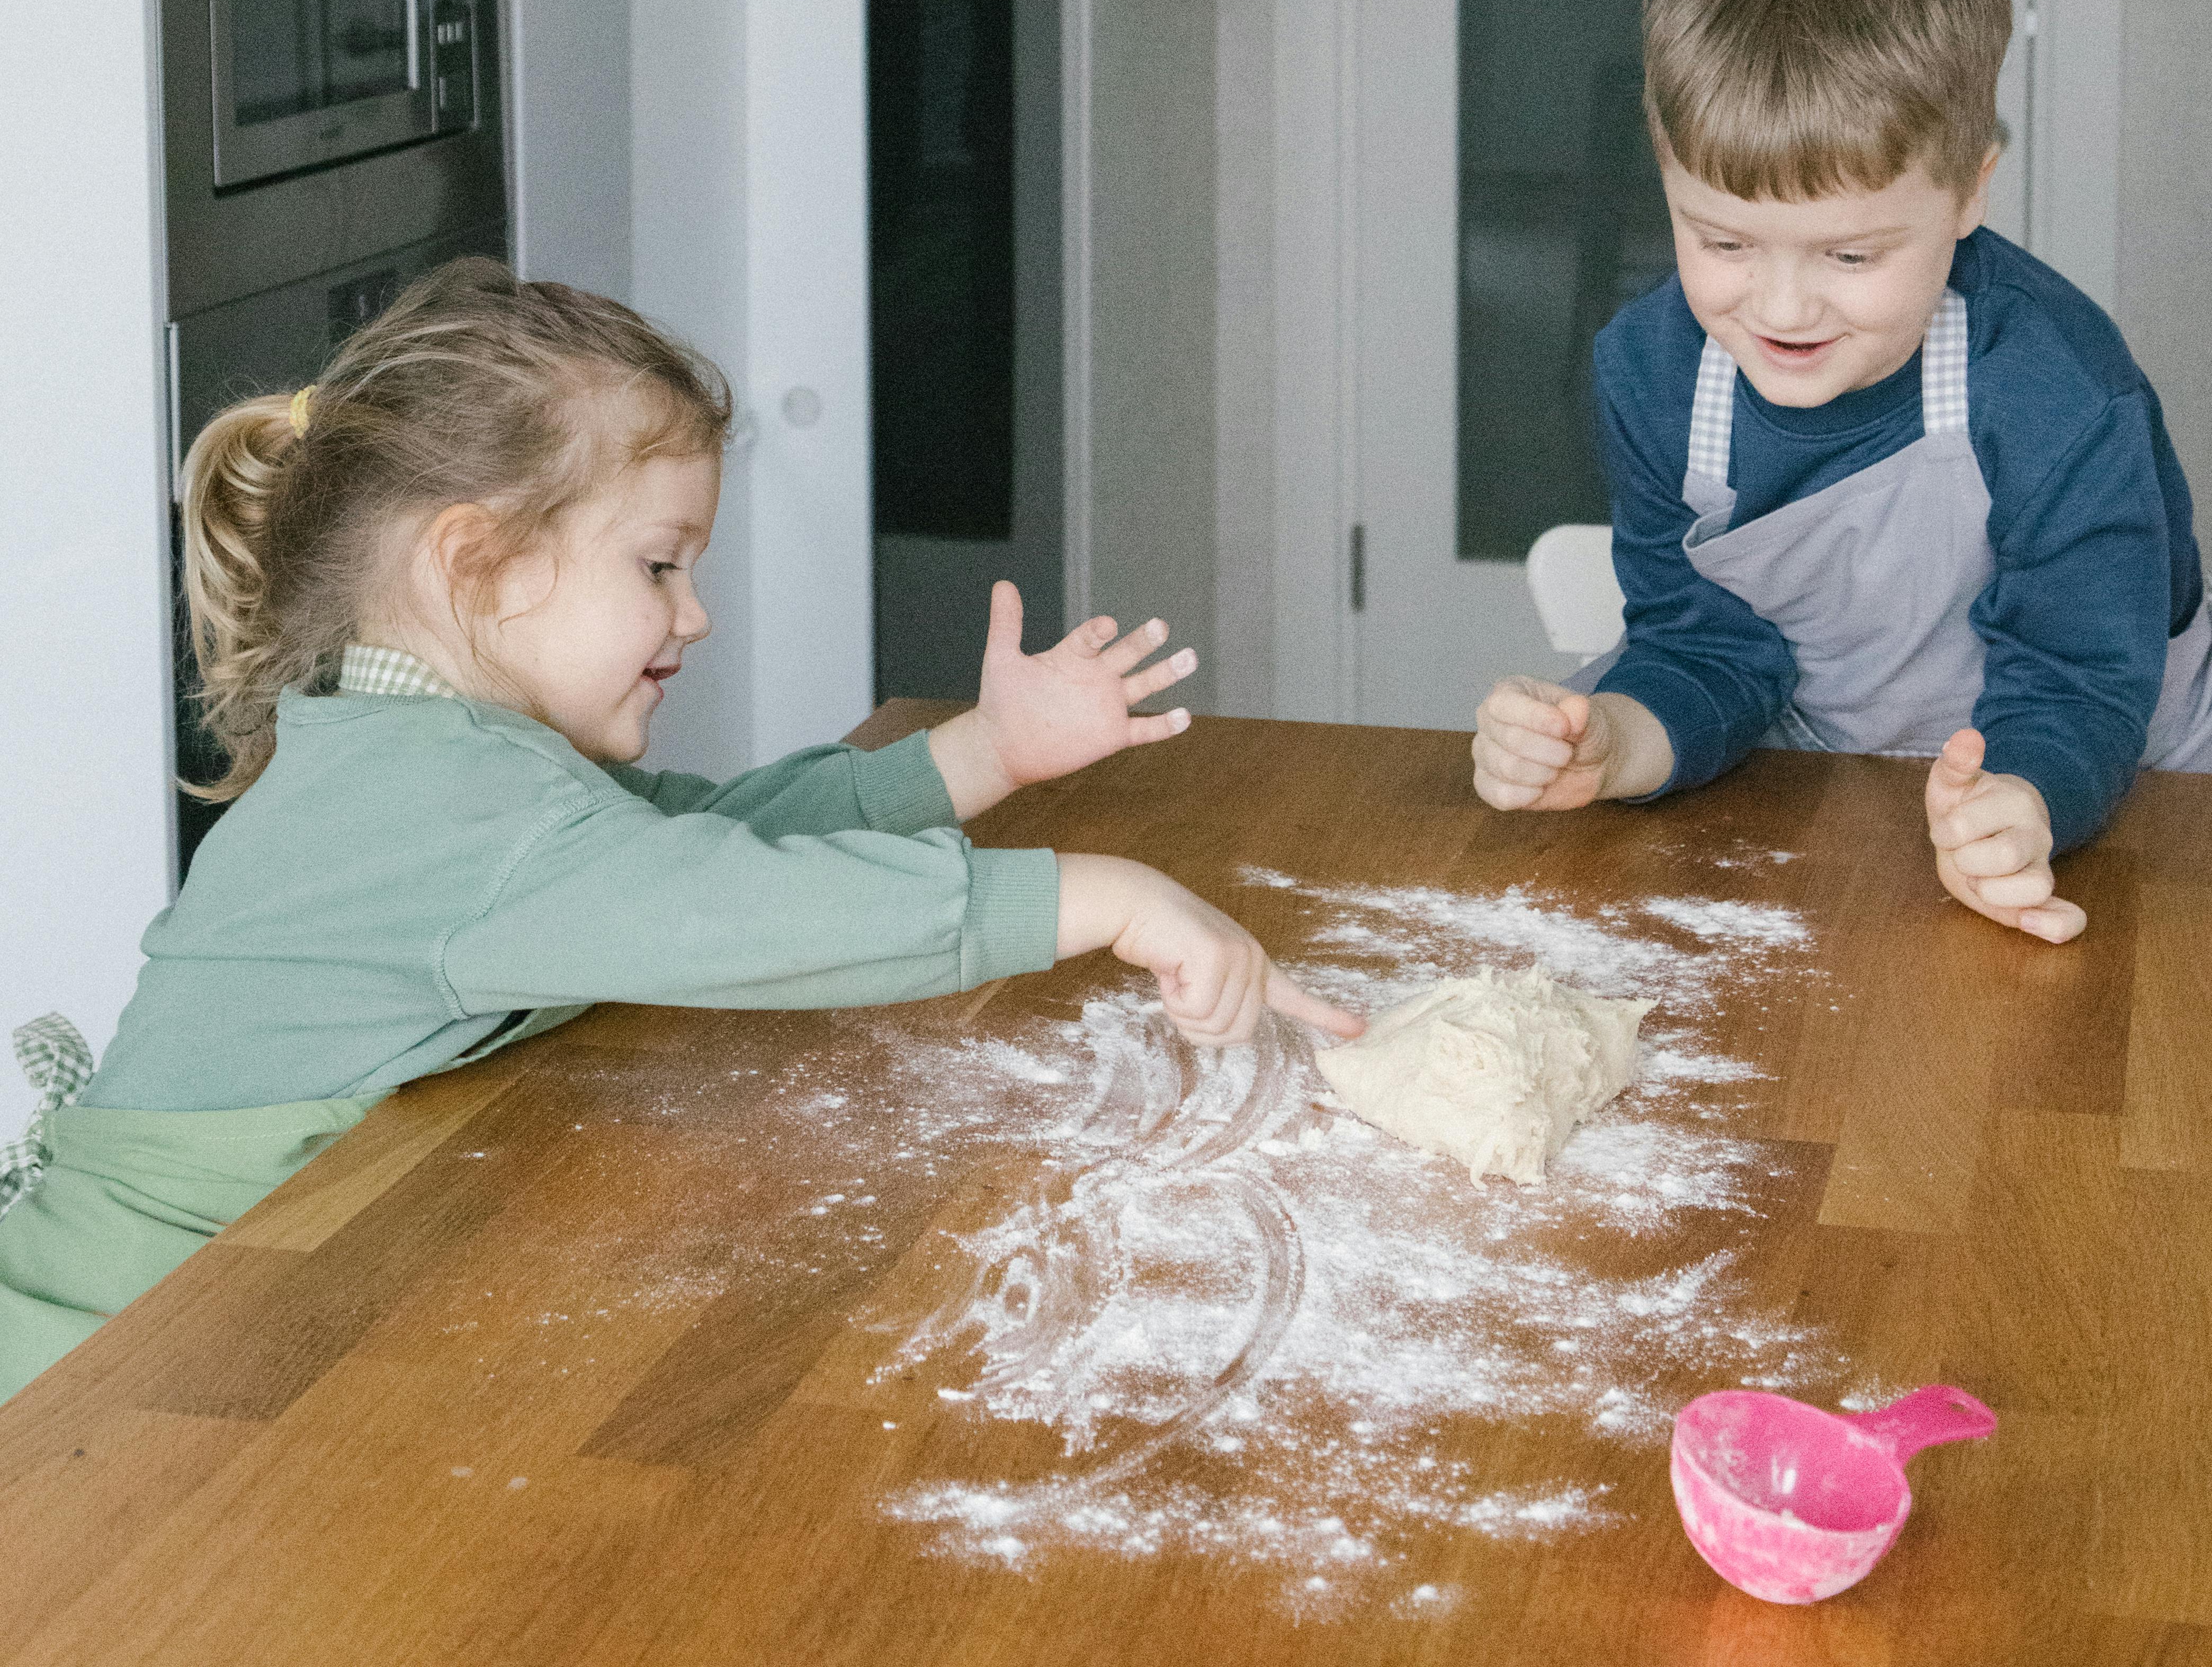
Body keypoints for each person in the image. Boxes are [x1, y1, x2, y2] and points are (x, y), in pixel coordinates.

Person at [0, 261, 1358, 1403]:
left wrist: (981, 752)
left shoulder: (446, 762)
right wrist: (1100, 896)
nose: (692, 615)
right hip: (97, 1373)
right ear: (476, 562)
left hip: (205, 1326)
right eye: (659, 564)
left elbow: (706, 846)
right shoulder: (452, 807)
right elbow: (731, 907)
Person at [1473, 0, 2212, 943]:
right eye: (1721, 240)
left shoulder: (2059, 389)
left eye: (1850, 253)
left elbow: (2079, 675)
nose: (1779, 305)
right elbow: (1704, 646)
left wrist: (2023, 803)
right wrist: (1617, 741)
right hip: (1823, 803)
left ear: (1969, 191)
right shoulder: (1651, 372)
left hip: (2111, 792)